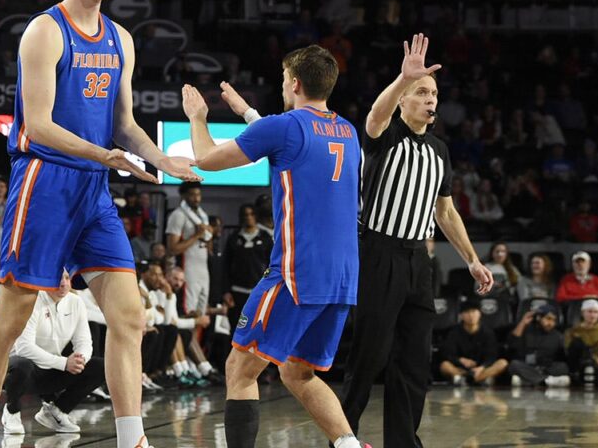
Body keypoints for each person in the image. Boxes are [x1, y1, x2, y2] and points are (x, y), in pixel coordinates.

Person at [0, 0, 199, 448]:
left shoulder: (121, 39)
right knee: (10, 318)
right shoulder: (45, 31)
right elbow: (38, 124)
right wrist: (103, 155)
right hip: (44, 181)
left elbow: (124, 124)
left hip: (93, 190)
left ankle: (132, 439)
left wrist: (162, 159)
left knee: (130, 316)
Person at [181, 44, 368, 448]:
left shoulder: (283, 127)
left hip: (296, 273)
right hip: (342, 279)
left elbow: (206, 158)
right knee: (298, 372)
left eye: (284, 79)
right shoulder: (348, 132)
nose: (283, 85)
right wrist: (248, 114)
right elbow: (297, 143)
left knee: (240, 368)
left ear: (295, 84)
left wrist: (198, 118)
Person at [341, 34, 493, 447]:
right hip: (378, 252)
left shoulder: (440, 150)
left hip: (418, 260)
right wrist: (402, 78)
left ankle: (404, 442)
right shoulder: (385, 135)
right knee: (369, 355)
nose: (430, 99)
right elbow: (374, 115)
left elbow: (445, 211)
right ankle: (342, 436)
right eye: (422, 92)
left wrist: (472, 259)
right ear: (404, 101)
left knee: (413, 360)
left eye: (434, 94)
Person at [0, 270, 106, 435]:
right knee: (21, 364)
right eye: (57, 278)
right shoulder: (32, 300)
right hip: (21, 373)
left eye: (66, 278)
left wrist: (80, 359)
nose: (63, 283)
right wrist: (64, 363)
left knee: (101, 366)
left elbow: (84, 342)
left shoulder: (76, 302)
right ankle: (12, 411)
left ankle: (57, 411)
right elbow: (24, 348)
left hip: (53, 370)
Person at [222, 204, 273, 340]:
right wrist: (226, 291)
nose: (248, 217)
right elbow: (225, 266)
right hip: (237, 292)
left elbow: (273, 265)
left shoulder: (266, 238)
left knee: (260, 330)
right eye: (245, 215)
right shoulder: (234, 238)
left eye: (251, 214)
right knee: (237, 330)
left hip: (259, 292)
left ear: (256, 216)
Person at [166, 182, 212, 318]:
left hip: (203, 270)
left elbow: (206, 244)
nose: (196, 198)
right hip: (187, 271)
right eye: (192, 195)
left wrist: (209, 235)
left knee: (201, 314)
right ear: (183, 196)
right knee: (187, 313)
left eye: (198, 194)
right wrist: (197, 235)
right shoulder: (178, 215)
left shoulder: (203, 216)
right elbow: (172, 248)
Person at [437, 301, 509, 386]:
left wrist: (482, 367)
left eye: (474, 311)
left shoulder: (488, 332)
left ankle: (468, 380)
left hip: (481, 369)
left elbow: (492, 355)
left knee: (503, 363)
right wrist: (460, 360)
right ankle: (479, 379)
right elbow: (448, 353)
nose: (471, 315)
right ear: (461, 316)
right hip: (461, 369)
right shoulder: (454, 332)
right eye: (467, 312)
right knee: (444, 365)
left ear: (479, 314)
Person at [507, 304, 570, 387]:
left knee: (563, 367)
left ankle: (528, 380)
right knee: (514, 365)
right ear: (539, 318)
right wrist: (523, 322)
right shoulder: (527, 330)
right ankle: (546, 381)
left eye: (554, 320)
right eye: (548, 319)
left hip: (547, 368)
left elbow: (563, 356)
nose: (551, 323)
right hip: (528, 366)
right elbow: (512, 343)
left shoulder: (557, 335)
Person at [564, 299, 598, 385]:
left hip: (596, 363)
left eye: (596, 312)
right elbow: (569, 350)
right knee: (577, 343)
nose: (592, 315)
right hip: (578, 363)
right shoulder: (572, 330)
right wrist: (593, 357)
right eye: (589, 312)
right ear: (582, 313)